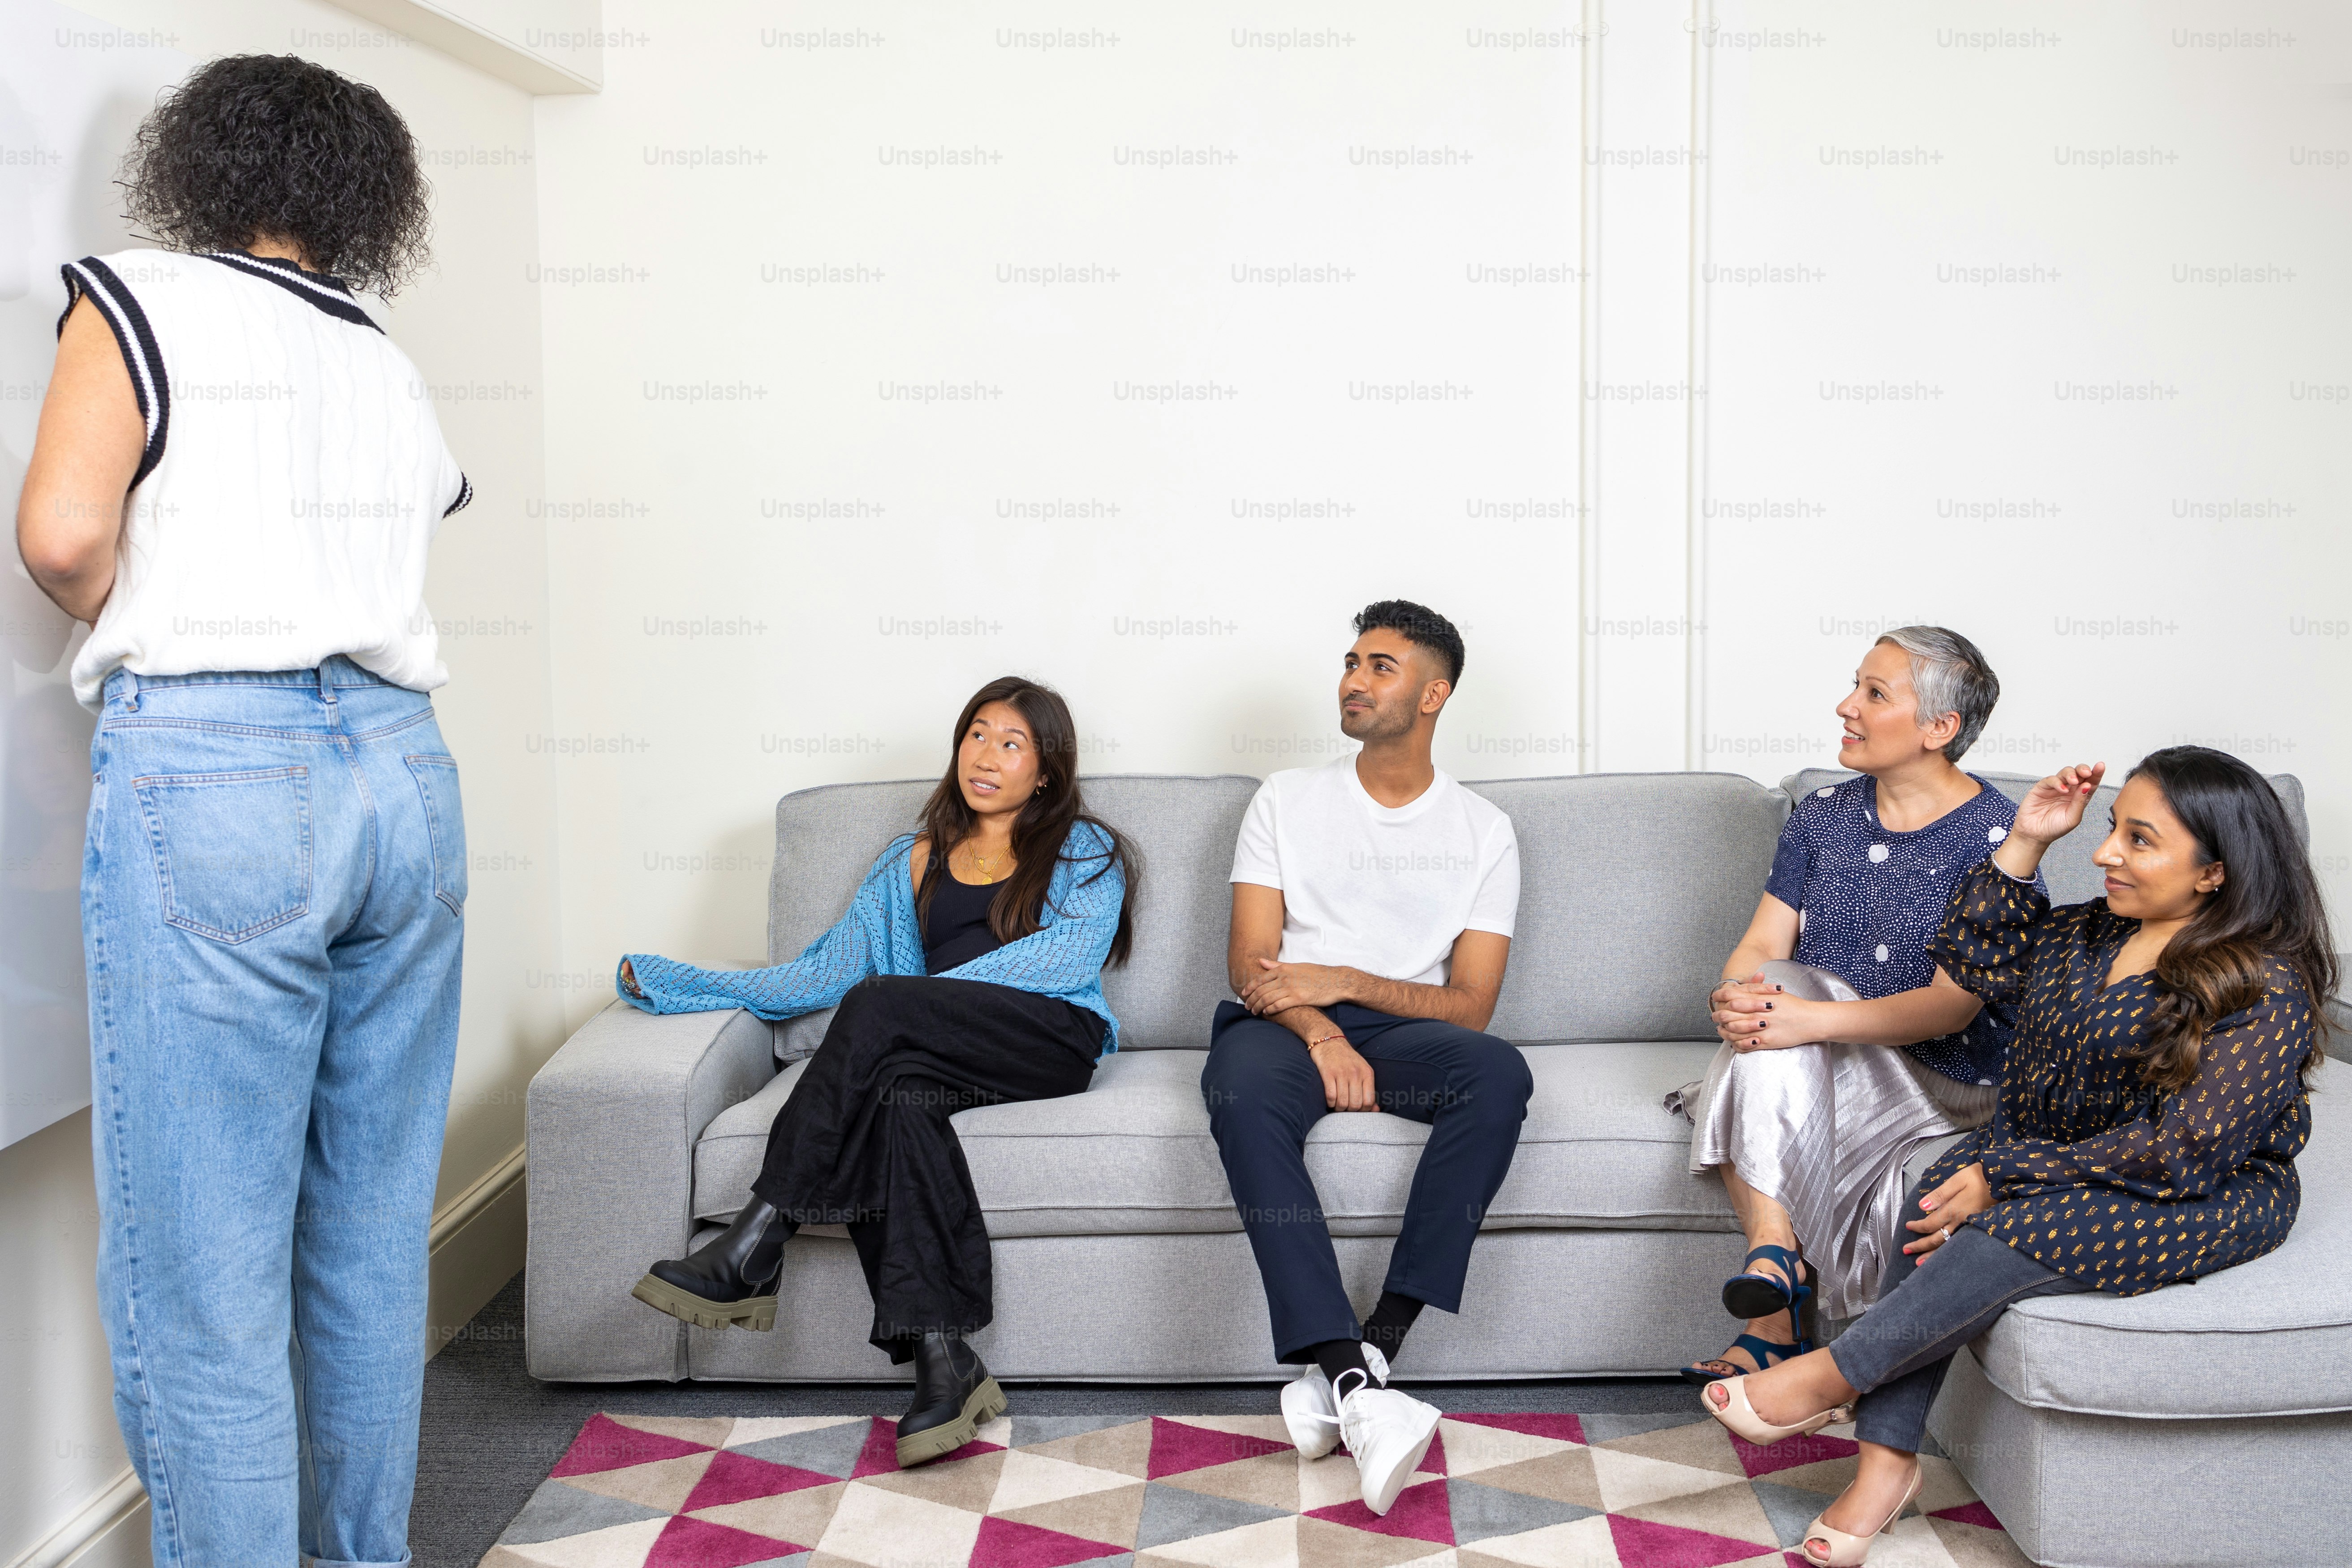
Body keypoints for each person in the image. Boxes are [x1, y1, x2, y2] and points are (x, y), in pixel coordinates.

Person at [15, 55, 469, 1565]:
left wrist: (150, 608)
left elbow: (63, 535)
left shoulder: (139, 293)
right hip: (403, 777)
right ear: (362, 197)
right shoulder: (381, 356)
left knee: (201, 1271)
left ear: (198, 164)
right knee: (365, 1238)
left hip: (222, 769)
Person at [1701, 748, 2331, 1565]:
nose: (2104, 853)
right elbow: (1972, 960)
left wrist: (2000, 1176)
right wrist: (2026, 842)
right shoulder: (2085, 932)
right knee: (1934, 1195)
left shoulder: (2265, 985)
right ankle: (1885, 1467)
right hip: (2055, 1151)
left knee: (2006, 1229)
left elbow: (2185, 1150)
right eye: (2111, 829)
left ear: (2213, 872)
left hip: (2201, 1188)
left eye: (2138, 840)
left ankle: (1831, 1375)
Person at [618, 676, 1136, 1468]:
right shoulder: (910, 860)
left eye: (1012, 744)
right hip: (930, 1049)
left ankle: (757, 1239)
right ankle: (943, 1359)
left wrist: (915, 999)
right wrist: (682, 981)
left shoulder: (1083, 849)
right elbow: (821, 972)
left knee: (883, 1003)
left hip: (1047, 1041)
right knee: (896, 1101)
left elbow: (1064, 959)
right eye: (977, 734)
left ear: (1046, 771)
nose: (986, 755)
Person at [1200, 600, 1531, 1517]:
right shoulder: (1284, 798)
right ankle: (1351, 1377)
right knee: (1238, 1092)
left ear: (1434, 694)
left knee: (1499, 1072)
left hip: (1402, 1029)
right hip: (1283, 1022)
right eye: (1351, 662)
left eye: (1380, 666)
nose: (1353, 680)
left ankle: (1377, 1344)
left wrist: (1348, 981)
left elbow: (1471, 1006)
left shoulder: (1483, 829)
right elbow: (1251, 964)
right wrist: (1322, 1029)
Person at [1674, 628, 2035, 1384]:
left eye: (1874, 694)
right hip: (1820, 1049)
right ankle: (1773, 1262)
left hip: (1946, 1076)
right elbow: (1760, 944)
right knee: (1773, 995)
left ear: (1939, 728)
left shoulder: (2000, 838)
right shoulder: (1822, 816)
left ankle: (1773, 1320)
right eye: (1854, 686)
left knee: (1777, 1023)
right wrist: (1735, 996)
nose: (1846, 707)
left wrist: (1804, 1021)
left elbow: (1953, 1008)